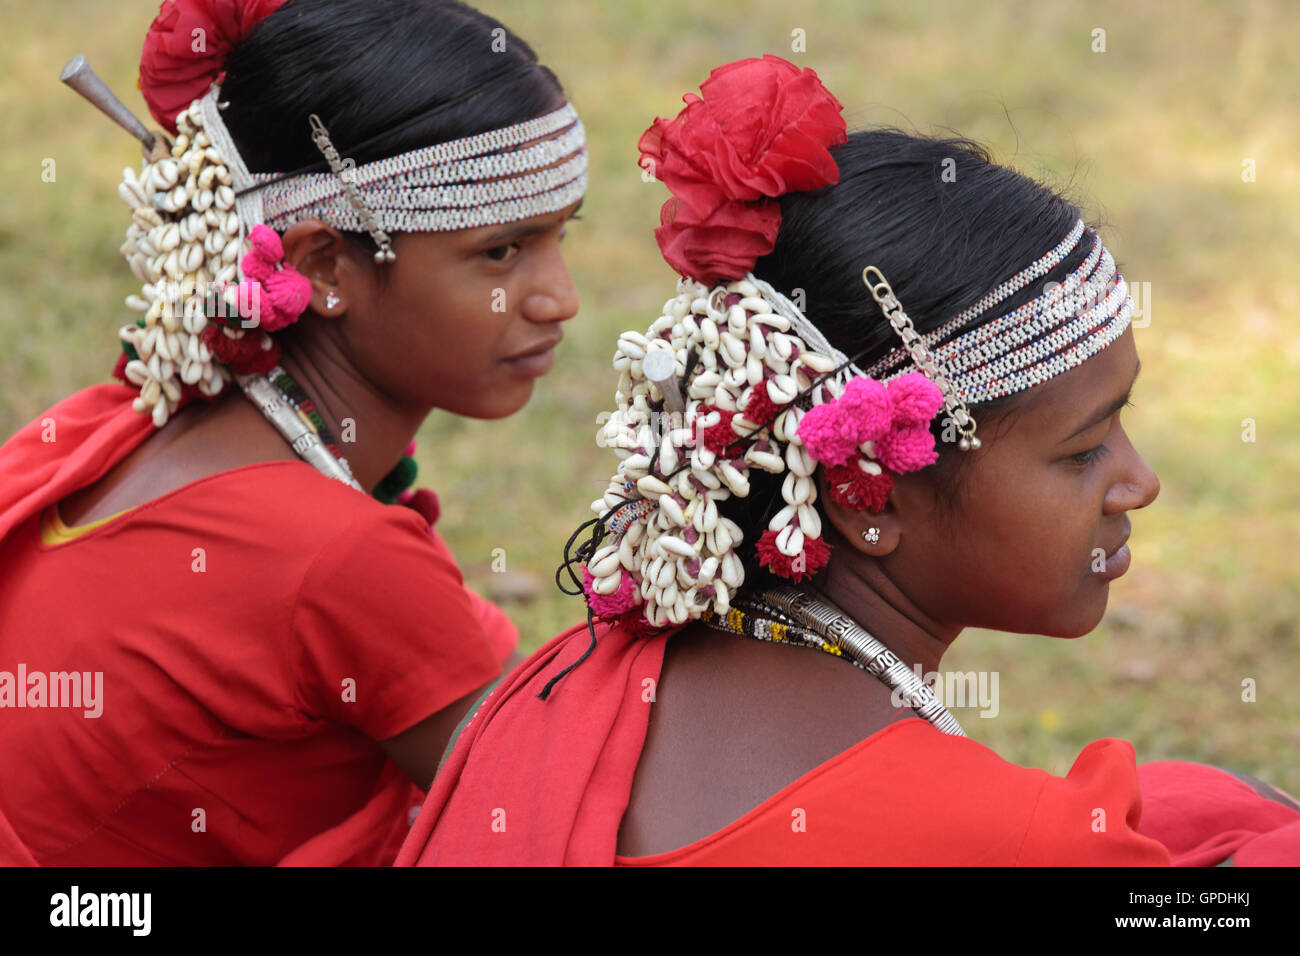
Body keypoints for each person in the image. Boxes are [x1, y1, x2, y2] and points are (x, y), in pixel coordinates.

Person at [396, 55, 1300, 866]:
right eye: (1083, 450)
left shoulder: (558, 689)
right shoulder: (1015, 841)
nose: (1140, 483)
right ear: (867, 496)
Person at [0, 0, 583, 866]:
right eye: (503, 252)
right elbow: (563, 822)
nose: (559, 297)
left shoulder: (108, 429)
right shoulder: (344, 561)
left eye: (562, 236)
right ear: (323, 267)